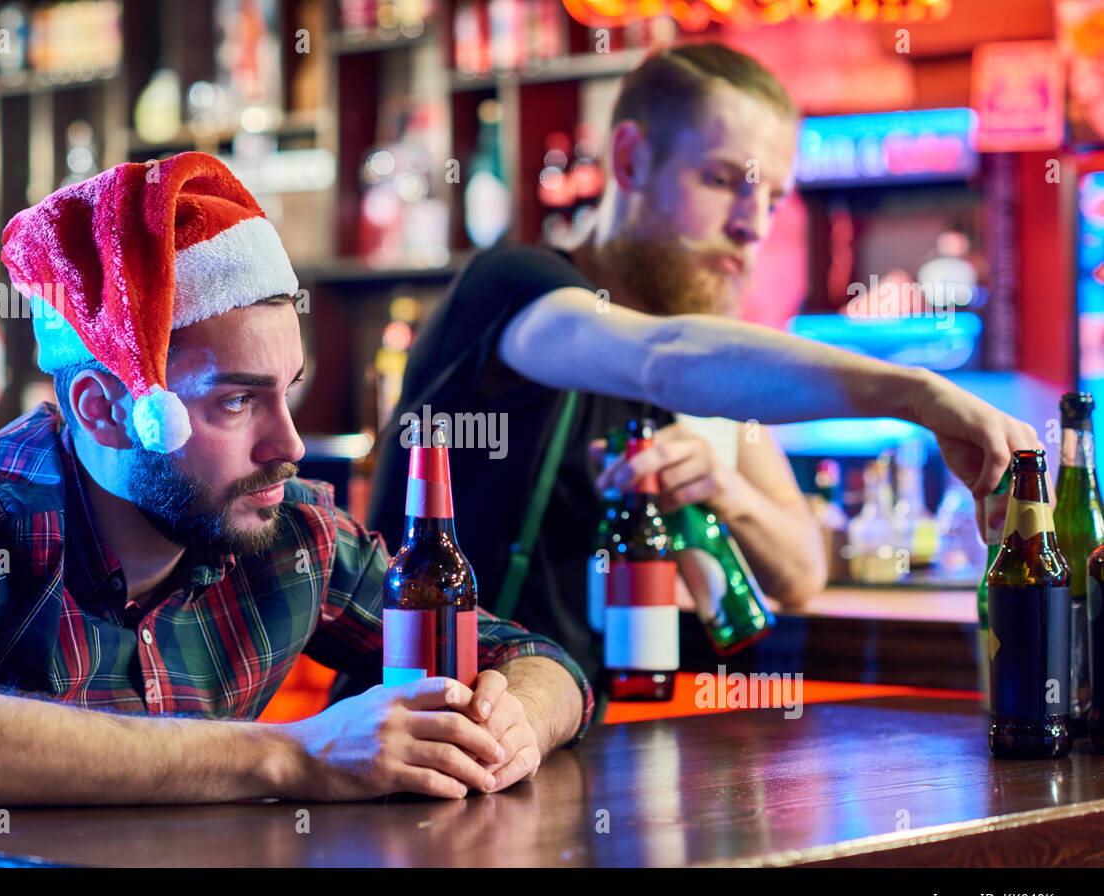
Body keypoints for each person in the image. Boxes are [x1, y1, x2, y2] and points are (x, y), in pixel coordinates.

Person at [0, 152, 593, 809]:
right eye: (236, 400)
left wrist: (515, 715)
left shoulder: (293, 530)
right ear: (105, 411)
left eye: (287, 388)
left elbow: (541, 661)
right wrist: (291, 755)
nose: (287, 442)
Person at [360, 43, 1039, 697]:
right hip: (410, 748)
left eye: (772, 198)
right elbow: (661, 356)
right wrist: (918, 394)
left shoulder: (701, 368)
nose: (753, 226)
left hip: (559, 736)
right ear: (630, 160)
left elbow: (801, 570)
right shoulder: (515, 287)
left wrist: (726, 490)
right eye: (722, 180)